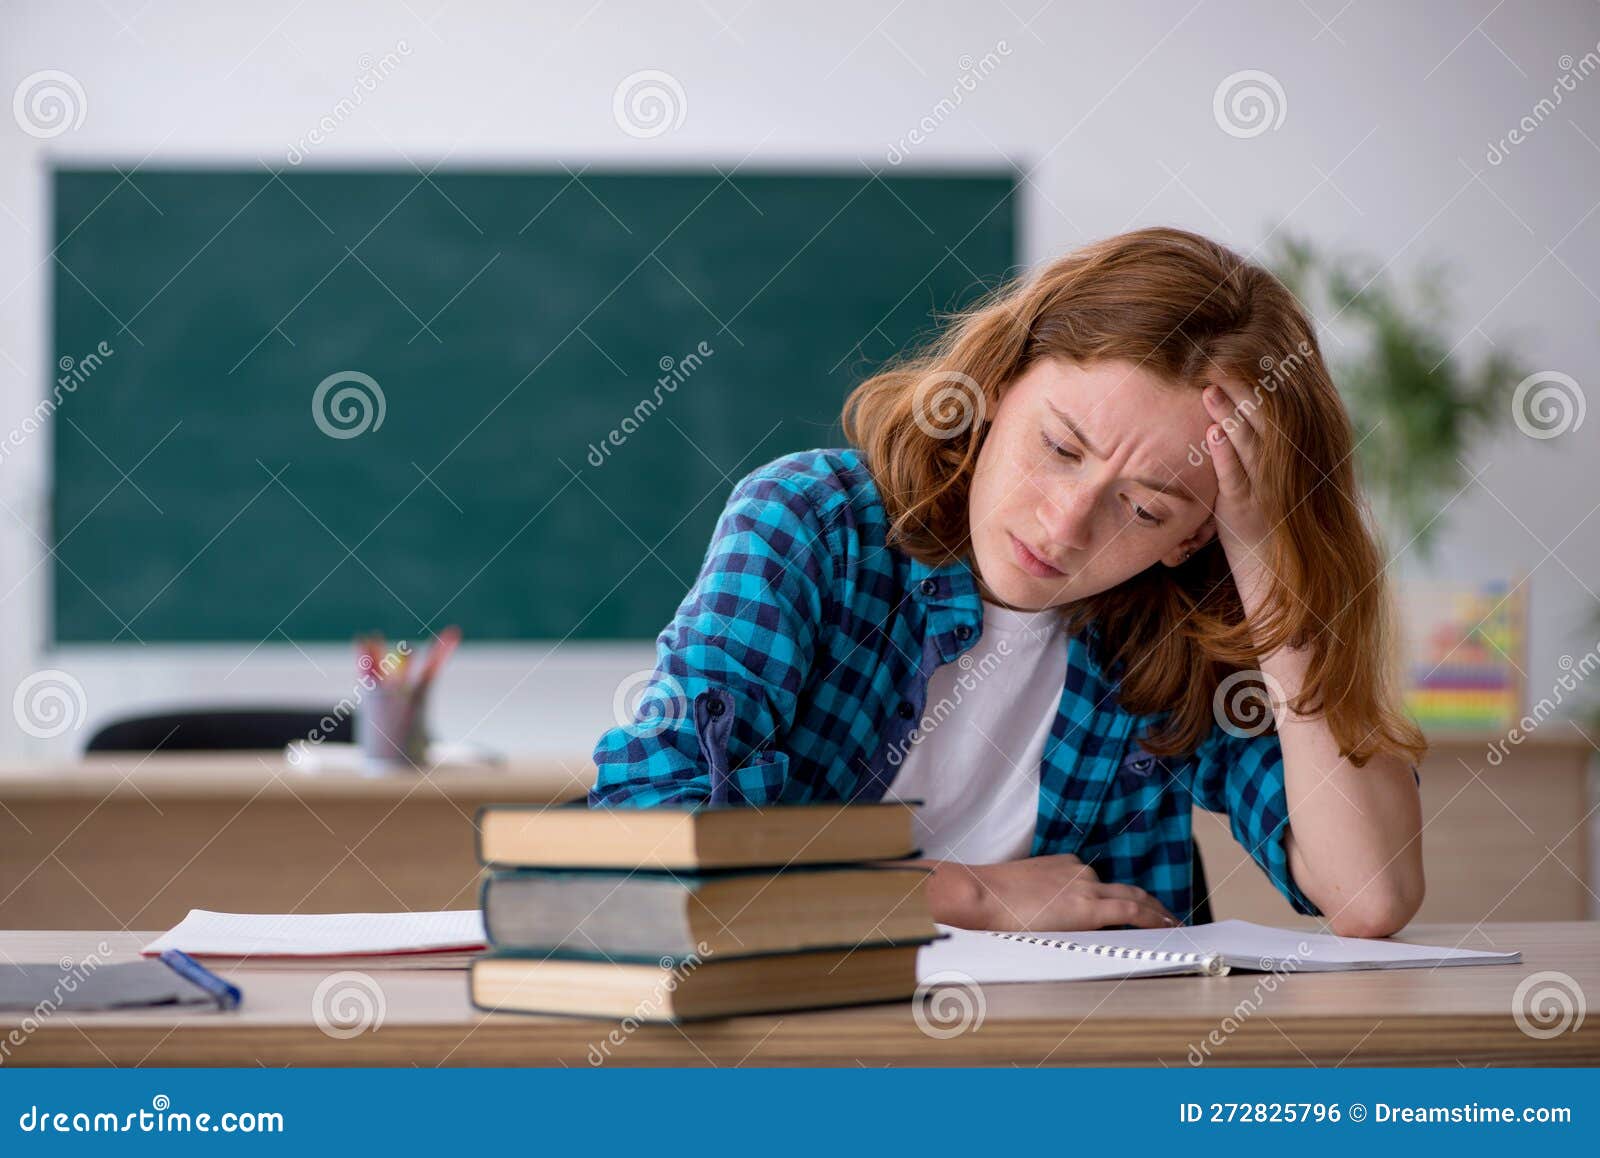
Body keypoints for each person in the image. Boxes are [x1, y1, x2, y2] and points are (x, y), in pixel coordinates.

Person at [588, 226, 1426, 937]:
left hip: (1086, 1068)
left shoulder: (1192, 617)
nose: (1064, 527)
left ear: (1197, 536)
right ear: (993, 387)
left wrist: (1272, 556)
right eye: (1059, 449)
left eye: (1147, 509)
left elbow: (1369, 893)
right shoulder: (812, 524)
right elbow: (648, 848)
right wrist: (968, 894)